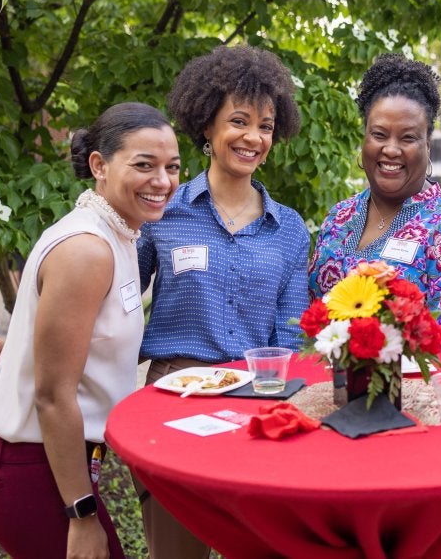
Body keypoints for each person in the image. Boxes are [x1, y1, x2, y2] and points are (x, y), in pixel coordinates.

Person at [0, 102, 180, 558]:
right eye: (144, 165)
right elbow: (52, 395)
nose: (162, 181)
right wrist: (82, 516)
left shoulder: (119, 235)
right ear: (99, 165)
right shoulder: (88, 249)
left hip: (59, 465)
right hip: (30, 469)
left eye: (172, 167)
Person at [135, 44, 309, 558]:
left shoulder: (290, 229)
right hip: (174, 399)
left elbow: (291, 327)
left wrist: (279, 406)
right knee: (176, 549)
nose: (254, 137)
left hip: (259, 400)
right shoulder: (163, 213)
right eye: (239, 121)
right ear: (206, 126)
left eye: (267, 125)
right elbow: (112, 298)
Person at [309, 54, 441, 342]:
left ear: (427, 146)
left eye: (407, 138)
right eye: (379, 134)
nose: (391, 149)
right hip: (327, 382)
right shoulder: (338, 218)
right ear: (364, 138)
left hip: (408, 385)